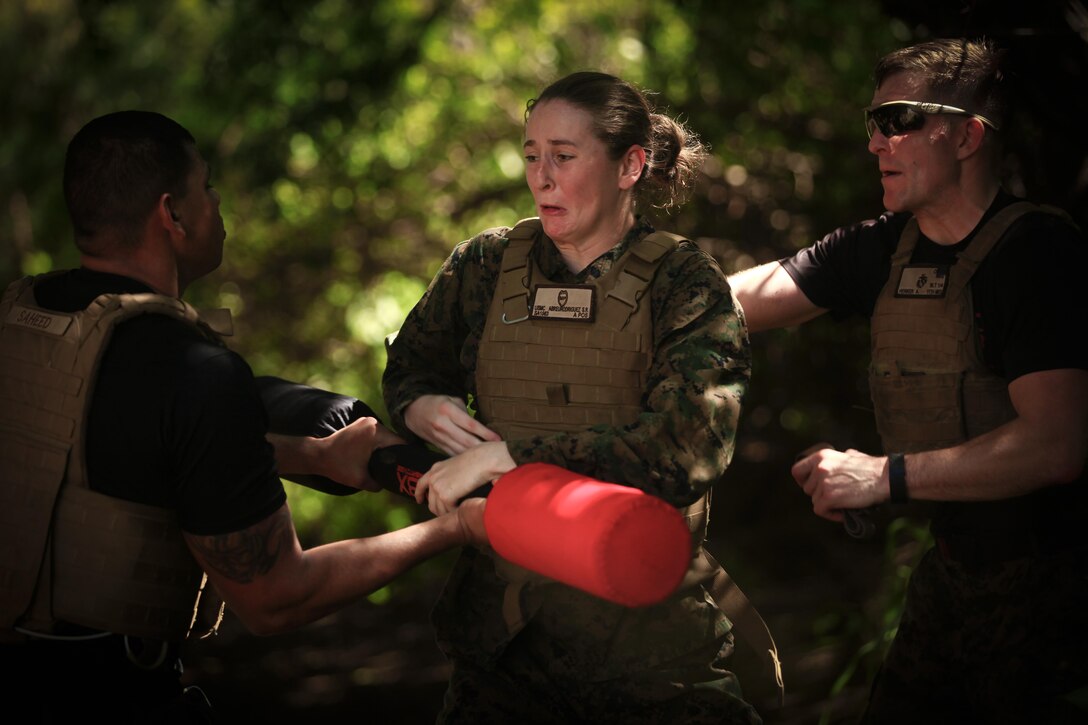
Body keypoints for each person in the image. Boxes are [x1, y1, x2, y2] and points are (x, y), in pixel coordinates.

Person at [0, 110, 488, 723]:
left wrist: (309, 456)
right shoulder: (193, 370)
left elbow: (106, 446)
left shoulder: (24, 315)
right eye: (206, 186)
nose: (218, 199)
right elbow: (277, 599)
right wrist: (457, 528)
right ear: (172, 214)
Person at [382, 71, 763, 724]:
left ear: (630, 166)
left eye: (563, 155)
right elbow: (410, 369)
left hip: (647, 646)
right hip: (501, 644)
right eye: (531, 155)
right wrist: (421, 405)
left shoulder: (685, 284)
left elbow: (684, 451)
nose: (541, 177)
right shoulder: (485, 265)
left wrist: (511, 456)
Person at [728, 38, 1088, 723]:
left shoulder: (1038, 254)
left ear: (968, 136)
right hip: (953, 568)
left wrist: (883, 476)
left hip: (1058, 587)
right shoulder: (885, 245)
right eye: (873, 124)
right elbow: (737, 298)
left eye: (897, 119)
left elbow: (1057, 444)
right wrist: (624, 294)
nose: (875, 143)